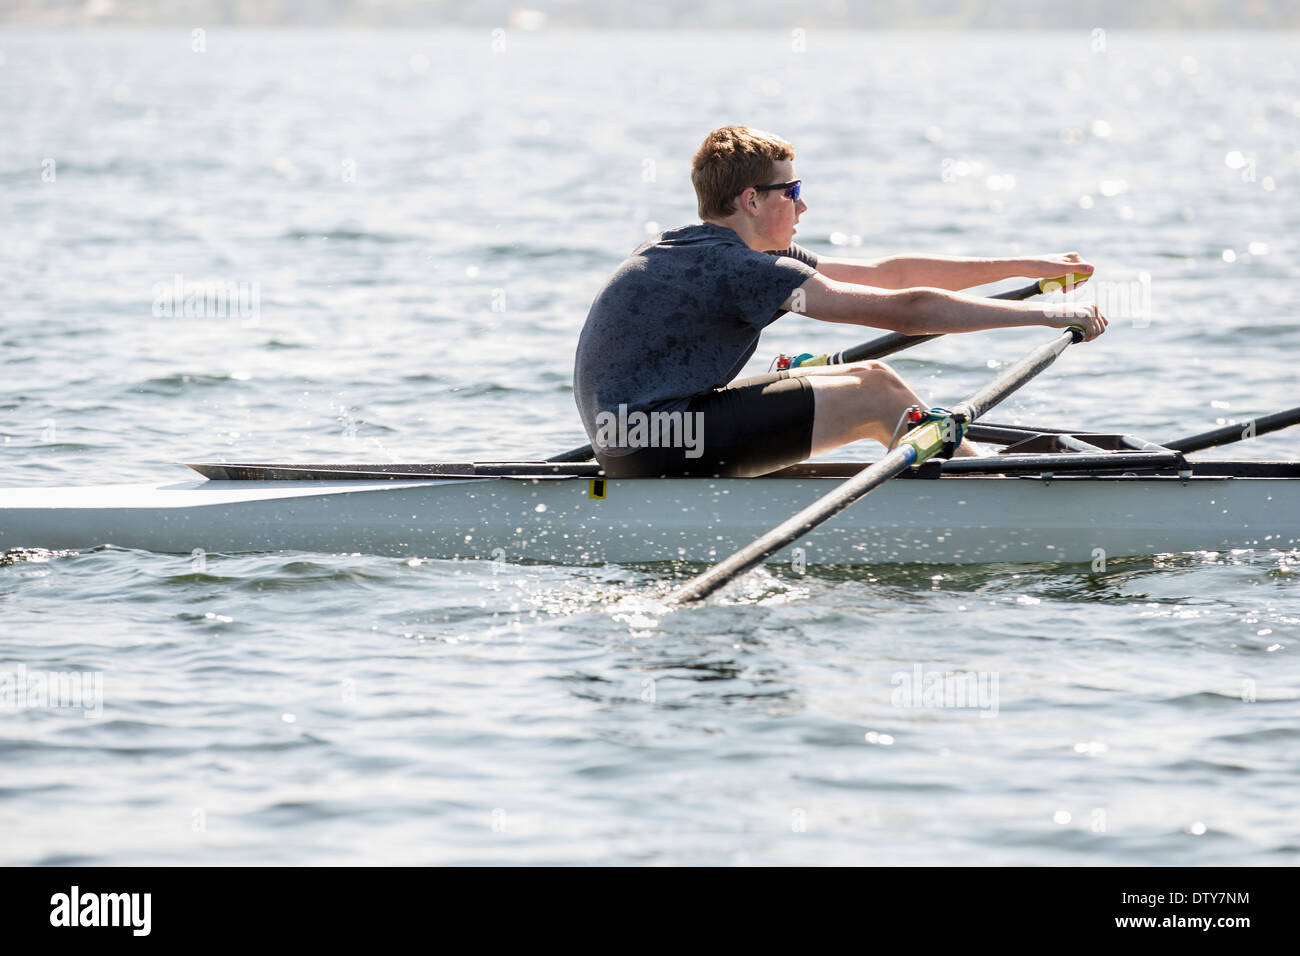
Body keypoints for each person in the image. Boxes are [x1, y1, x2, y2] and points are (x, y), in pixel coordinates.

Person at [573, 125, 1107, 478]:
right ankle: (988, 493)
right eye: (792, 190)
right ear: (751, 200)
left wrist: (1028, 267)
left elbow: (889, 274)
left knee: (873, 374)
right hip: (655, 441)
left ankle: (964, 476)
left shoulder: (694, 245)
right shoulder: (741, 268)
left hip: (634, 438)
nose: (803, 204)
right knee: (873, 391)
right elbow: (907, 310)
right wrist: (1045, 314)